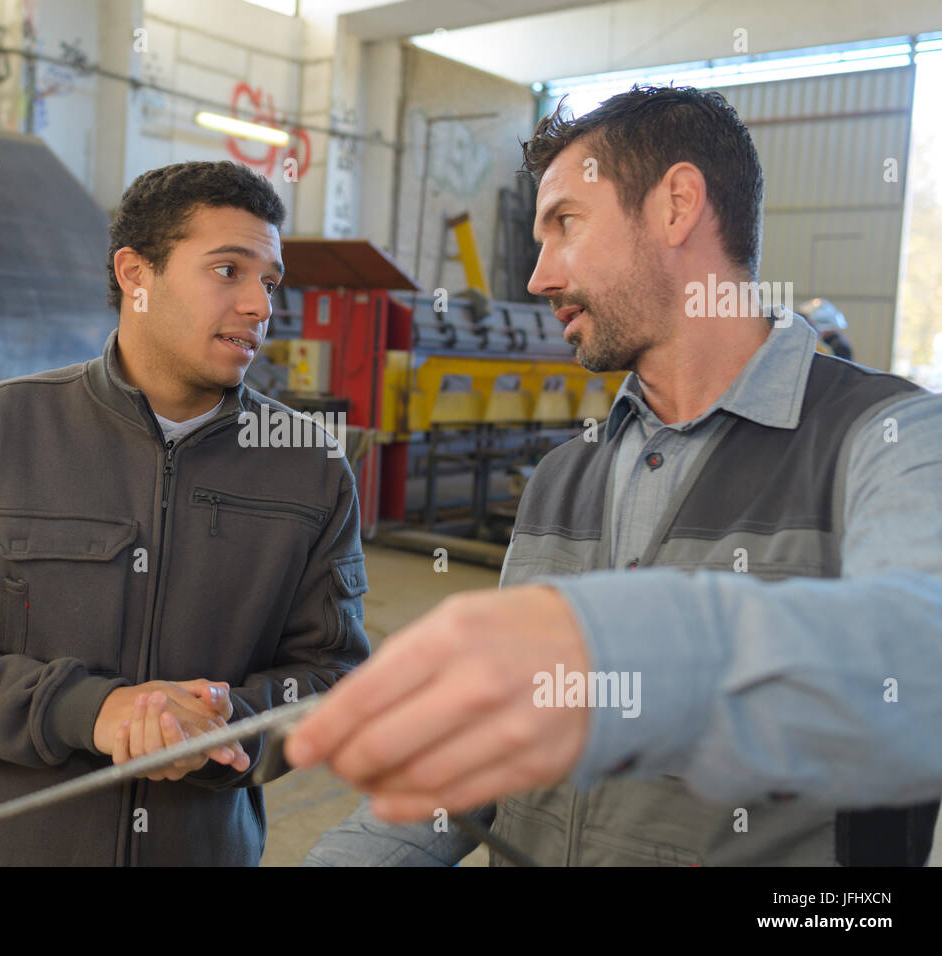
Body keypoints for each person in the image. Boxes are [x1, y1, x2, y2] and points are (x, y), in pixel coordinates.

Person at [287, 85, 942, 866]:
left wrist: (614, 649)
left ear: (676, 206)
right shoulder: (564, 476)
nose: (536, 277)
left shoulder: (889, 436)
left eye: (564, 223)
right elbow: (478, 767)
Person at [0, 160, 370, 865]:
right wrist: (92, 711)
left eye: (270, 282)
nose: (260, 306)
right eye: (228, 271)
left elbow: (334, 676)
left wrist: (228, 723)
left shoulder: (308, 467)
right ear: (136, 275)